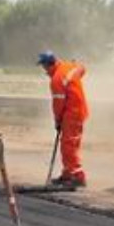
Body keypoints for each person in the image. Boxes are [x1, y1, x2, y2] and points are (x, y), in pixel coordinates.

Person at [37, 51, 90, 188]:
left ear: (49, 65)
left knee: (68, 145)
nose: (44, 70)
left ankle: (77, 176)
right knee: (69, 144)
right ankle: (68, 173)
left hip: (72, 114)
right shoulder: (69, 67)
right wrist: (75, 64)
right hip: (78, 110)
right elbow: (82, 69)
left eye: (43, 67)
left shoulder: (57, 80)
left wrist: (57, 121)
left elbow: (58, 105)